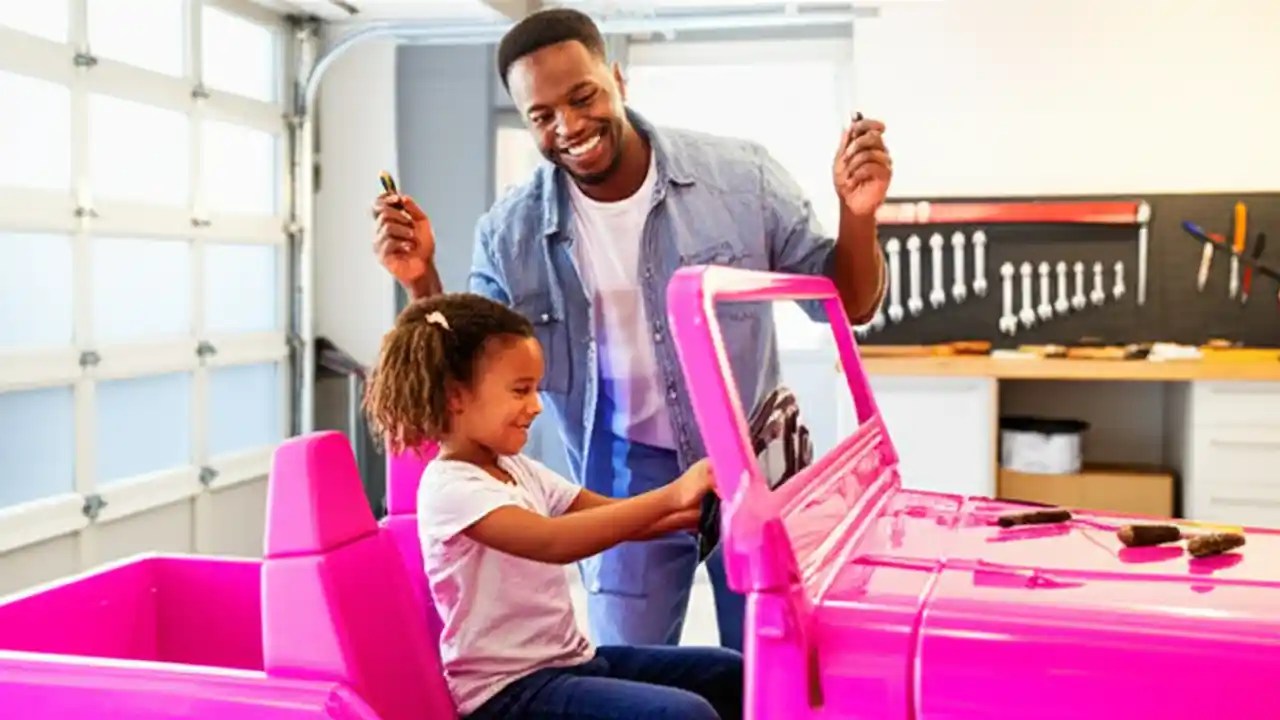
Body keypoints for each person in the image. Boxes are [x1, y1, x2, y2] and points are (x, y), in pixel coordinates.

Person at [371, 7, 891, 652]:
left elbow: (848, 301)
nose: (568, 126)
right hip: (617, 476)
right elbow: (462, 371)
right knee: (628, 669)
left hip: (751, 464)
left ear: (617, 78)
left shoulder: (740, 179)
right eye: (542, 115)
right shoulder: (510, 232)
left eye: (583, 96)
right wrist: (420, 279)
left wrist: (856, 216)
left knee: (766, 671)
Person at [363, 293, 743, 720]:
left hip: (566, 662)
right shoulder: (451, 487)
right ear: (456, 396)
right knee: (684, 715)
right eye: (521, 391)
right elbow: (553, 541)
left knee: (729, 672)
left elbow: (607, 514)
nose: (536, 405)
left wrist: (698, 515)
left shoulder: (514, 468)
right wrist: (673, 493)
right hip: (506, 694)